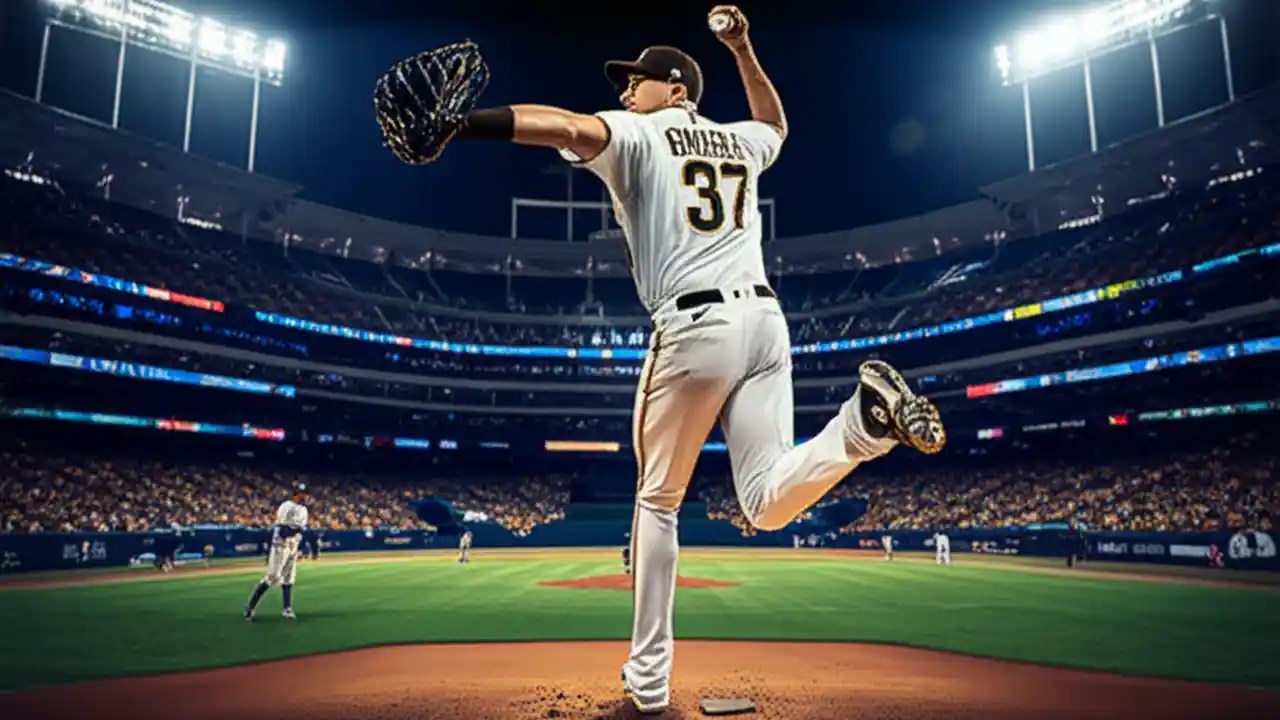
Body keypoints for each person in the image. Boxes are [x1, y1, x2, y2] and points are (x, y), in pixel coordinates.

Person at [445, 6, 945, 713]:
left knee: (656, 500)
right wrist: (743, 47)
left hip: (694, 322)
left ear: (676, 90)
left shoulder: (638, 131)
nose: (625, 92)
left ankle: (648, 688)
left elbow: (560, 125)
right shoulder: (737, 140)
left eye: (638, 80)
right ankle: (861, 429)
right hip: (766, 323)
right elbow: (776, 126)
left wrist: (468, 123)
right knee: (767, 505)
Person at [244, 484, 309, 621]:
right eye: (302, 493)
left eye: (305, 493)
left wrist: (298, 536)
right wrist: (296, 530)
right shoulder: (286, 506)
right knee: (273, 576)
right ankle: (250, 607)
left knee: (289, 577)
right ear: (296, 494)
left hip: (293, 545)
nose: (305, 495)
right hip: (281, 544)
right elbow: (282, 529)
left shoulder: (303, 509)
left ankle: (287, 609)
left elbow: (299, 529)